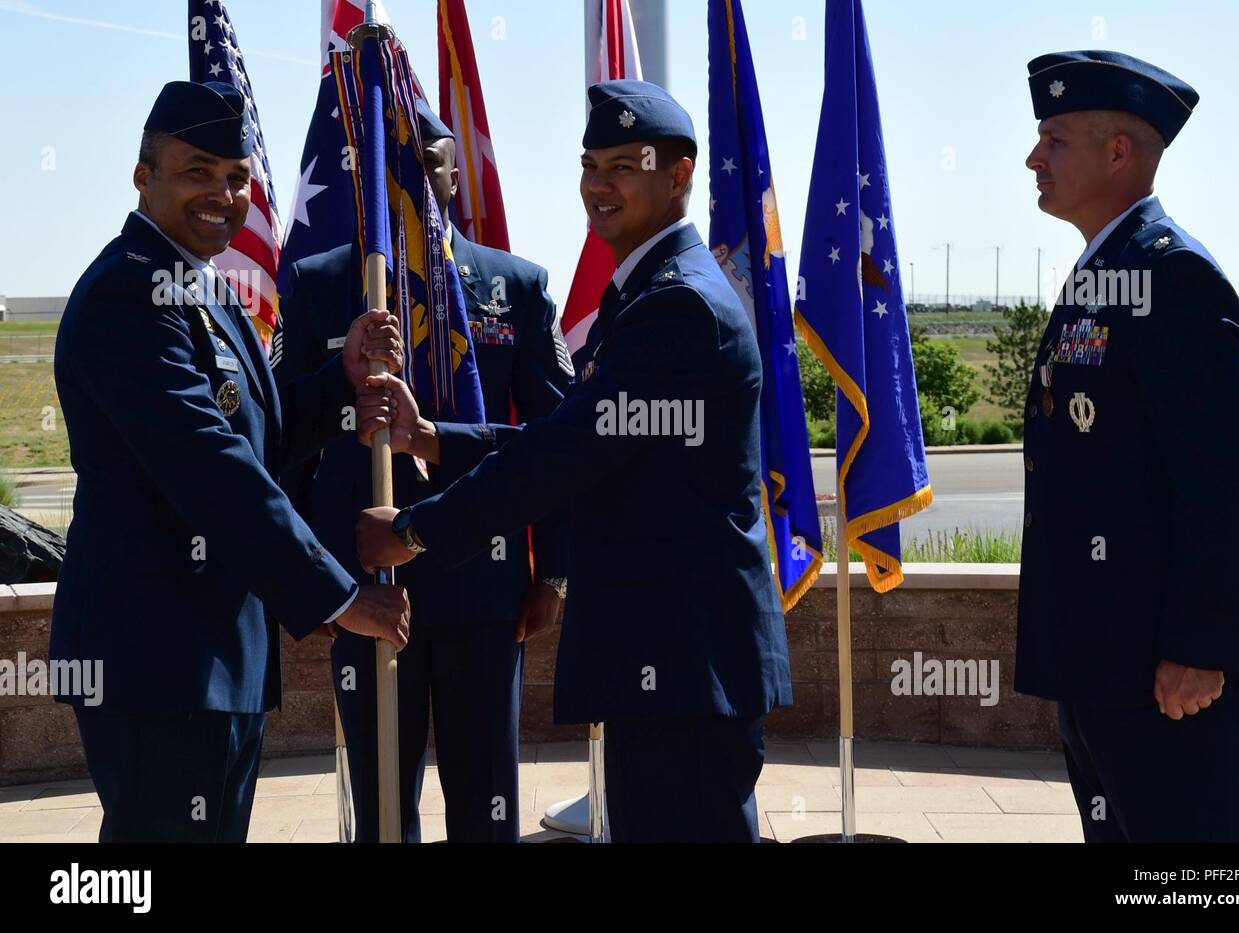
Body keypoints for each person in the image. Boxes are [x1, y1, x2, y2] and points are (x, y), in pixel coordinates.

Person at [355, 79, 792, 843]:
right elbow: (581, 436)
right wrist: (435, 441)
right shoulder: (649, 294)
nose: (599, 184)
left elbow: (562, 455)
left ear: (679, 174)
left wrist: (420, 529)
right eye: (591, 164)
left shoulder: (676, 305)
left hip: (683, 661)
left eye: (625, 165)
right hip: (671, 661)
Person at [50, 80, 410, 843]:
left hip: (213, 659)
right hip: (158, 659)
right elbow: (210, 466)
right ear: (142, 174)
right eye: (197, 171)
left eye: (236, 177)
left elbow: (252, 433)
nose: (222, 194)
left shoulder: (200, 288)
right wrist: (340, 598)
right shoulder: (130, 293)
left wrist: (335, 385)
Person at [276, 101, 572, 842]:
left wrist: (554, 572)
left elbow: (556, 444)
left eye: (430, 164)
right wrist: (314, 571)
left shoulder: (517, 286)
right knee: (381, 812)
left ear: (452, 174)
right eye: (395, 168)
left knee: (487, 807)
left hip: (484, 585)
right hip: (371, 591)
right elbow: (279, 439)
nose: (415, 180)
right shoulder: (318, 285)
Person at [1015, 51, 1239, 842]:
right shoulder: (1105, 272)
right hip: (1105, 666)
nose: (1033, 158)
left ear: (1118, 152)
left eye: (1053, 139)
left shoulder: (1172, 275)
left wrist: (1200, 650)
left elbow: (1229, 472)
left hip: (1170, 676)